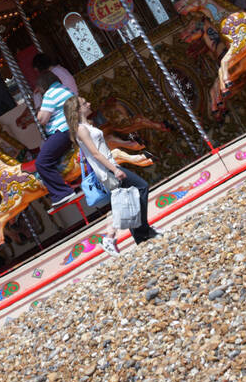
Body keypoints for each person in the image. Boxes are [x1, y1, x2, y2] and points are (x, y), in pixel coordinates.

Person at [64, 96, 158, 255]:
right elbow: (95, 153)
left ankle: (142, 236)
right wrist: (114, 169)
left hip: (109, 167)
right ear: (78, 110)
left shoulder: (87, 125)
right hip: (107, 169)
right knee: (141, 187)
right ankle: (139, 232)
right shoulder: (81, 129)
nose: (89, 104)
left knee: (129, 199)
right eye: (85, 103)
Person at [33, 67, 82, 208]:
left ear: (43, 86)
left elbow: (42, 119)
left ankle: (62, 193)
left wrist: (38, 100)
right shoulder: (65, 90)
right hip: (73, 128)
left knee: (42, 162)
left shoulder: (50, 94)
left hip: (62, 131)